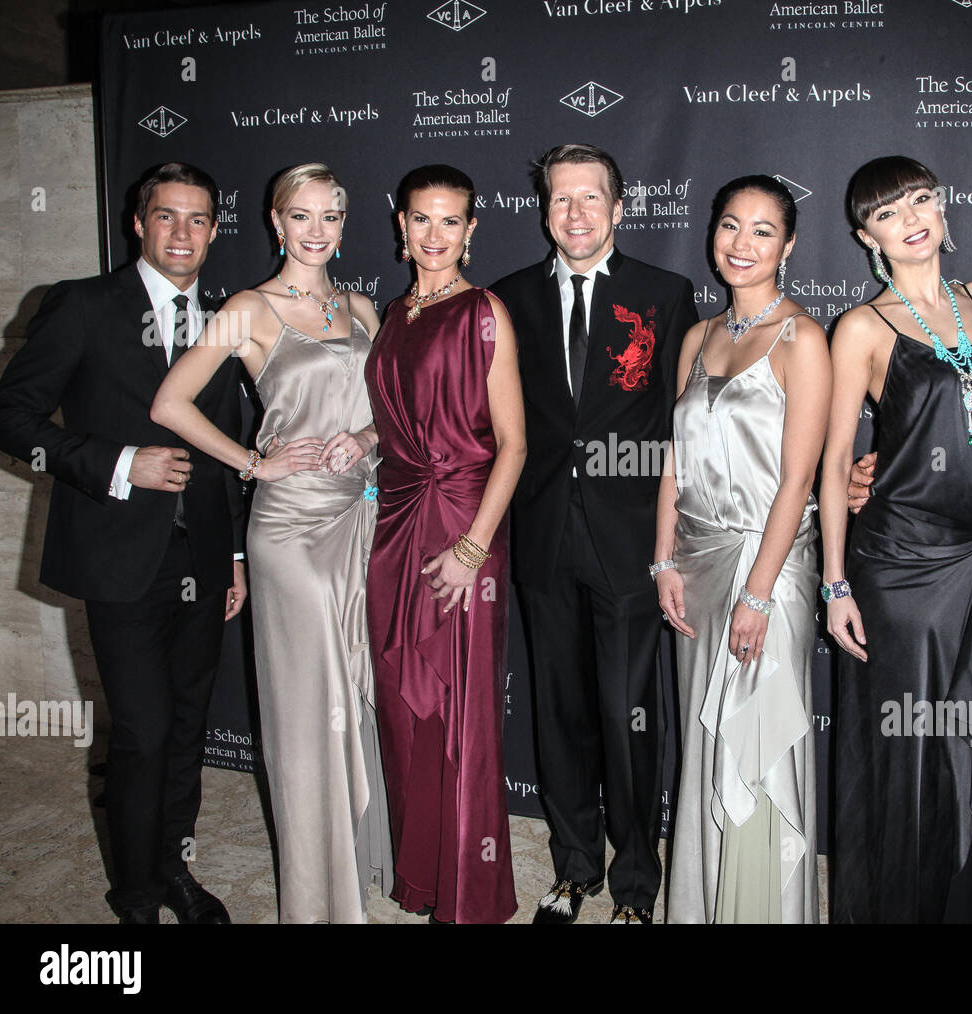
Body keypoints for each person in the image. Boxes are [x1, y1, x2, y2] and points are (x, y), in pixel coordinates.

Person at [0, 162, 246, 923]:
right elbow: (7, 416)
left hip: (200, 558)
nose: (182, 233)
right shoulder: (82, 306)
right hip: (119, 558)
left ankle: (174, 869)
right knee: (140, 731)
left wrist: (230, 552)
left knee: (187, 727)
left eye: (198, 220)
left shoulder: (224, 320)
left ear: (213, 230)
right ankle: (133, 893)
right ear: (139, 223)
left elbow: (227, 444)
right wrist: (116, 463)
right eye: (167, 217)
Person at [151, 163, 390, 923]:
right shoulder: (248, 310)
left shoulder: (360, 307)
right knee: (304, 706)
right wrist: (254, 461)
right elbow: (169, 403)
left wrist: (364, 436)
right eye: (302, 216)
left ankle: (355, 859)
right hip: (289, 528)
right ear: (275, 223)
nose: (317, 230)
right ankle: (316, 897)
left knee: (356, 691)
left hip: (360, 516)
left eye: (331, 216)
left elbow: (396, 409)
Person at [820, 156, 972, 923]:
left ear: (944, 209)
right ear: (866, 236)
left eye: (921, 199)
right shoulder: (860, 326)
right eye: (889, 212)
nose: (911, 218)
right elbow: (830, 469)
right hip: (899, 569)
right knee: (909, 756)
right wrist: (834, 583)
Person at [491, 144, 697, 924]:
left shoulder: (666, 293)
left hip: (632, 542)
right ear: (544, 209)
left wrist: (672, 542)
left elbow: (687, 423)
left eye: (590, 199)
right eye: (559, 200)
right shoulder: (507, 299)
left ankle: (637, 884)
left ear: (620, 207)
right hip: (542, 537)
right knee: (561, 713)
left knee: (628, 716)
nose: (574, 215)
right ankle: (575, 869)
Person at [655, 175, 830, 923]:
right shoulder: (698, 336)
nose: (743, 244)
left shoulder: (805, 337)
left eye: (763, 231)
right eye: (731, 226)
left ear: (788, 246)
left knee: (755, 747)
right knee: (705, 741)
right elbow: (675, 461)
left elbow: (798, 481)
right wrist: (662, 558)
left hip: (772, 567)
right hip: (694, 563)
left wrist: (758, 593)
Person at [365, 164, 525, 924]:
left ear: (472, 229)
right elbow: (405, 412)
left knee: (460, 711)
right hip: (395, 522)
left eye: (450, 221)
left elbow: (515, 446)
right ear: (401, 225)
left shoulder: (484, 311)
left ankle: (469, 895)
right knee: (405, 706)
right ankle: (425, 876)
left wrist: (471, 550)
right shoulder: (393, 313)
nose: (435, 235)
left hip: (463, 520)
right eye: (421, 219)